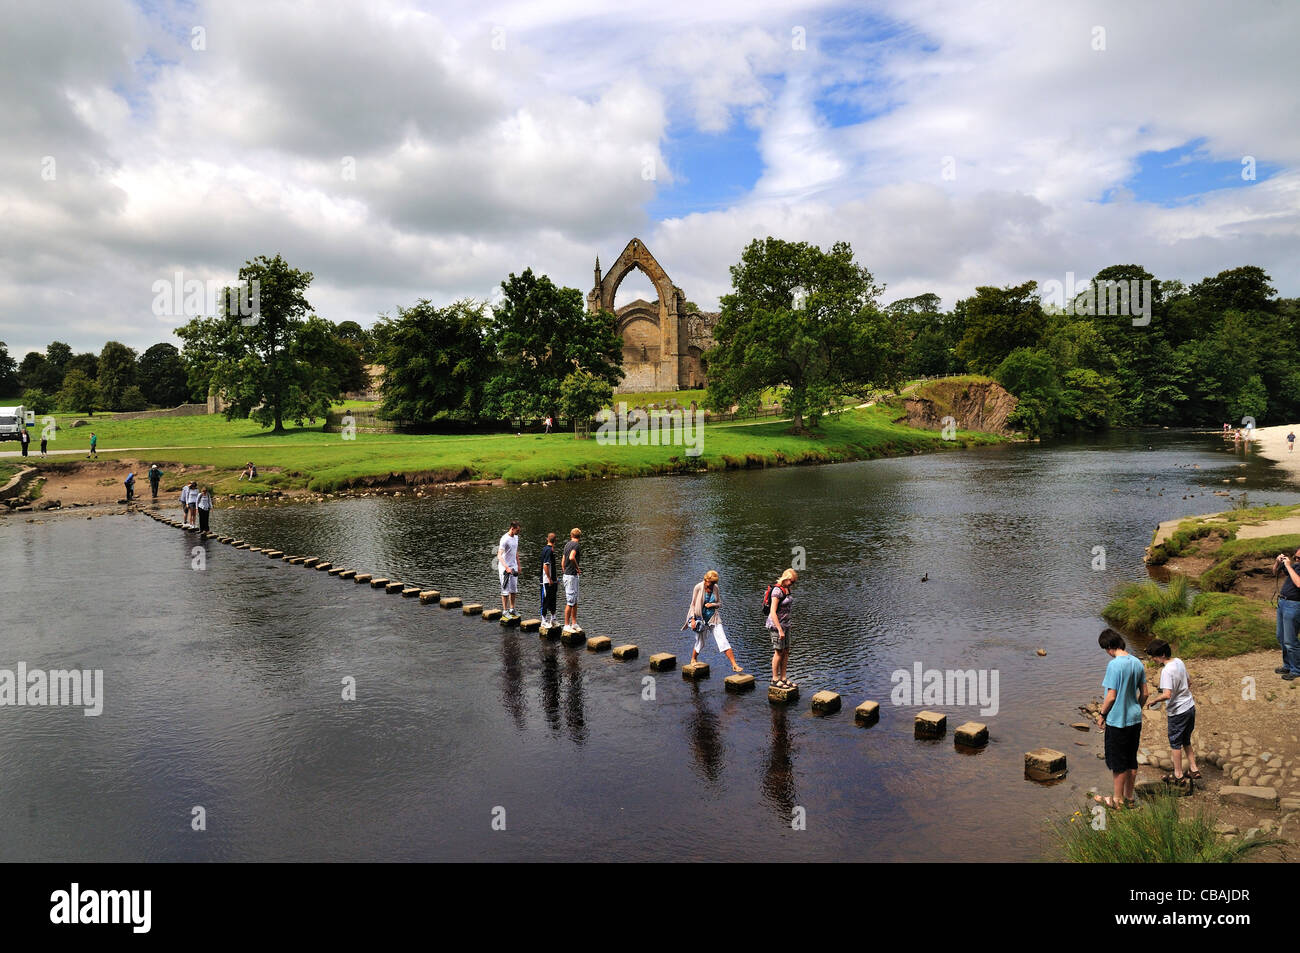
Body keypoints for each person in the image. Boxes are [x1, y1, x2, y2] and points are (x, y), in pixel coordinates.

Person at [1093, 629, 1147, 810]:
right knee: (1131, 760)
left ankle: (1117, 801)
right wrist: (1136, 707)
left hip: (1117, 721)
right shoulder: (1137, 662)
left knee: (1118, 763)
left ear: (1109, 647)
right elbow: (1145, 693)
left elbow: (1111, 696)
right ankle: (1129, 797)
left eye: (1105, 649)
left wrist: (1102, 715)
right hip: (1135, 719)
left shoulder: (1114, 665)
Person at [1145, 639, 1200, 785]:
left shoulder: (1166, 671)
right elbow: (1189, 682)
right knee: (1186, 739)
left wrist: (1155, 700)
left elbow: (1167, 694)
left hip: (1177, 712)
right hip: (1190, 707)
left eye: (1155, 656)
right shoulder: (1179, 662)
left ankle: (1178, 774)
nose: (1153, 659)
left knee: (1175, 743)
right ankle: (1194, 769)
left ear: (1162, 654)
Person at [685, 570, 743, 673]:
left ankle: (734, 665)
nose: (712, 586)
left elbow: (719, 603)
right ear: (706, 580)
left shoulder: (716, 588)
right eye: (711, 583)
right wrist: (693, 619)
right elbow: (693, 604)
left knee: (723, 640)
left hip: (713, 618)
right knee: (700, 642)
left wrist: (712, 605)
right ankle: (693, 658)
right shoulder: (698, 587)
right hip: (700, 619)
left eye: (714, 583)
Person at [766, 569, 797, 689]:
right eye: (792, 581)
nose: (792, 584)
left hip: (786, 624)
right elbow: (772, 612)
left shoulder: (787, 589)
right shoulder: (777, 591)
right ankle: (775, 679)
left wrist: (788, 624)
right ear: (786, 578)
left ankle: (783, 677)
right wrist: (779, 629)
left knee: (786, 651)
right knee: (778, 651)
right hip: (776, 625)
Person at [1274, 547, 1300, 680]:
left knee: (1290, 640)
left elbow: (1299, 583)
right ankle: (1288, 665)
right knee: (1281, 637)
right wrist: (1278, 562)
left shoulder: (1294, 568)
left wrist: (1289, 566)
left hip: (1295, 605)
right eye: (1295, 557)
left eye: (1299, 558)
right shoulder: (1295, 567)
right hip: (1283, 603)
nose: (1296, 560)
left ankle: (1296, 669)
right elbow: (1275, 572)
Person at [497, 520, 521, 619]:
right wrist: (506, 567)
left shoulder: (516, 537)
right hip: (504, 568)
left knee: (513, 589)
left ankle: (512, 609)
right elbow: (499, 555)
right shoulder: (504, 539)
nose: (519, 532)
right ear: (512, 528)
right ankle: (505, 610)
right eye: (518, 530)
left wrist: (519, 565)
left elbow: (515, 552)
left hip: (513, 566)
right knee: (505, 590)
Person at [561, 528, 582, 632]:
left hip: (569, 575)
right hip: (571, 576)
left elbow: (563, 560)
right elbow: (571, 557)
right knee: (570, 601)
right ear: (579, 536)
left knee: (575, 600)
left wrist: (564, 569)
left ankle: (574, 623)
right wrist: (577, 568)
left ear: (571, 535)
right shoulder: (576, 545)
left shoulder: (567, 545)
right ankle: (566, 625)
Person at [540, 531, 558, 627]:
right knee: (546, 600)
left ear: (547, 539)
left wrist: (555, 579)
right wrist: (550, 579)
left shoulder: (549, 549)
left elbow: (552, 566)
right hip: (546, 581)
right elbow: (545, 566)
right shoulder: (548, 550)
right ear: (555, 540)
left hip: (552, 580)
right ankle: (543, 620)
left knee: (553, 599)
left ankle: (553, 619)